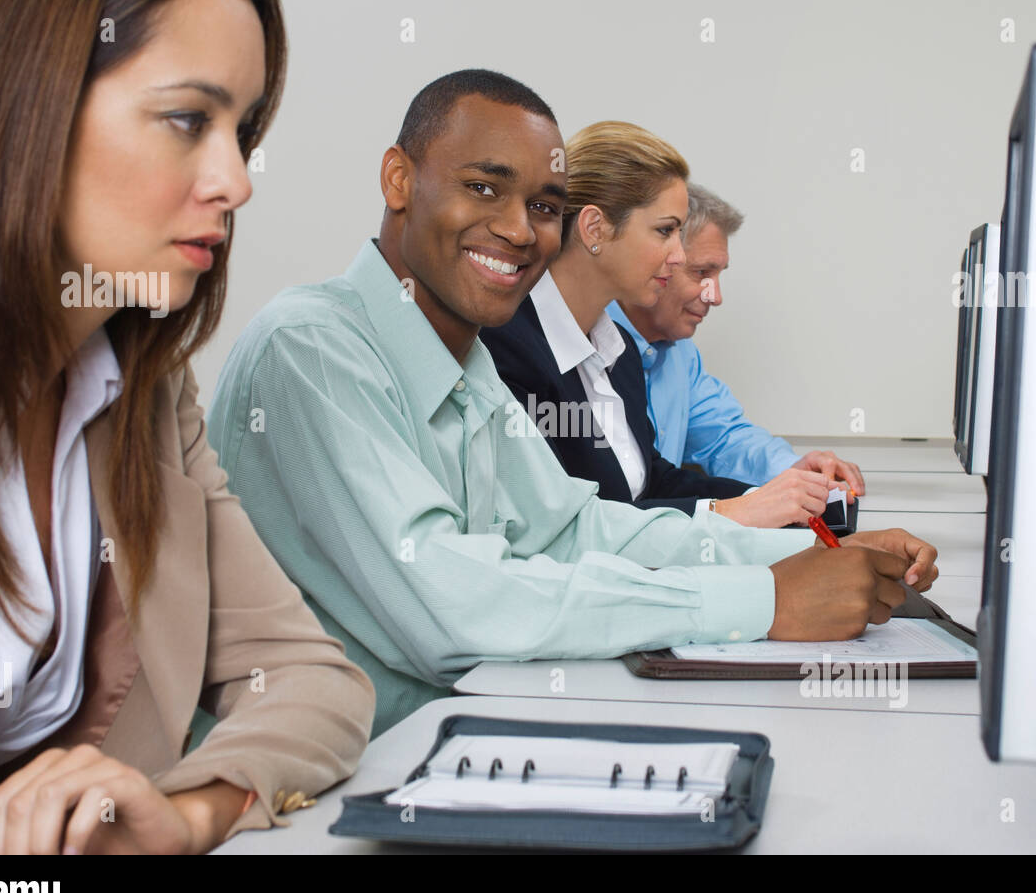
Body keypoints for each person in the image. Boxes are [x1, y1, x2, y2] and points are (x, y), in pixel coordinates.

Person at [208, 69, 940, 736]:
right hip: (308, 793)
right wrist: (764, 600)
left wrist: (811, 550)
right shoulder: (310, 347)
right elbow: (456, 605)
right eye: (485, 187)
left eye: (544, 205)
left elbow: (575, 530)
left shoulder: (466, 360)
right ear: (399, 178)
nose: (522, 230)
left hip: (443, 742)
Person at [0, 0, 374, 855]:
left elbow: (313, 679)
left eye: (243, 131)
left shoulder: (149, 396)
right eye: (187, 118)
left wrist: (191, 812)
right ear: (20, 106)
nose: (235, 181)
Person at [480, 122, 837, 526]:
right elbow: (567, 528)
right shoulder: (504, 351)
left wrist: (776, 499)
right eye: (665, 231)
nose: (679, 256)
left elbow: (651, 483)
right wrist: (734, 512)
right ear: (594, 228)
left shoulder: (621, 352)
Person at [607, 183, 868, 495]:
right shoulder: (587, 344)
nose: (715, 297)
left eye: (718, 275)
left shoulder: (680, 352)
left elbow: (724, 438)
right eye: (701, 272)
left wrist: (792, 469)